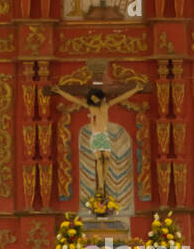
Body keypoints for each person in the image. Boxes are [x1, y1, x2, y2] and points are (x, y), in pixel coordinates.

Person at [50, 71, 144, 200]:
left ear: (100, 98)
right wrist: (60, 92)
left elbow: (121, 98)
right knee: (99, 159)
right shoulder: (90, 107)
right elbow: (74, 99)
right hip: (95, 135)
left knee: (107, 159)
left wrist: (135, 89)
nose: (94, 100)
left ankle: (103, 183)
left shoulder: (106, 105)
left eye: (96, 98)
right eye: (92, 99)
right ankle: (100, 185)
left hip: (104, 135)